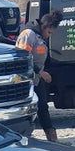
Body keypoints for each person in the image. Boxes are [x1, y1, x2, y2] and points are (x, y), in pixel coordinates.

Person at [16, 10, 63, 143]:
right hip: (25, 79)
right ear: (44, 27)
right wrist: (39, 72)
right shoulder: (28, 34)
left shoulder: (40, 38)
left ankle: (52, 138)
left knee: (43, 106)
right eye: (49, 32)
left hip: (36, 79)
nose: (49, 36)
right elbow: (22, 57)